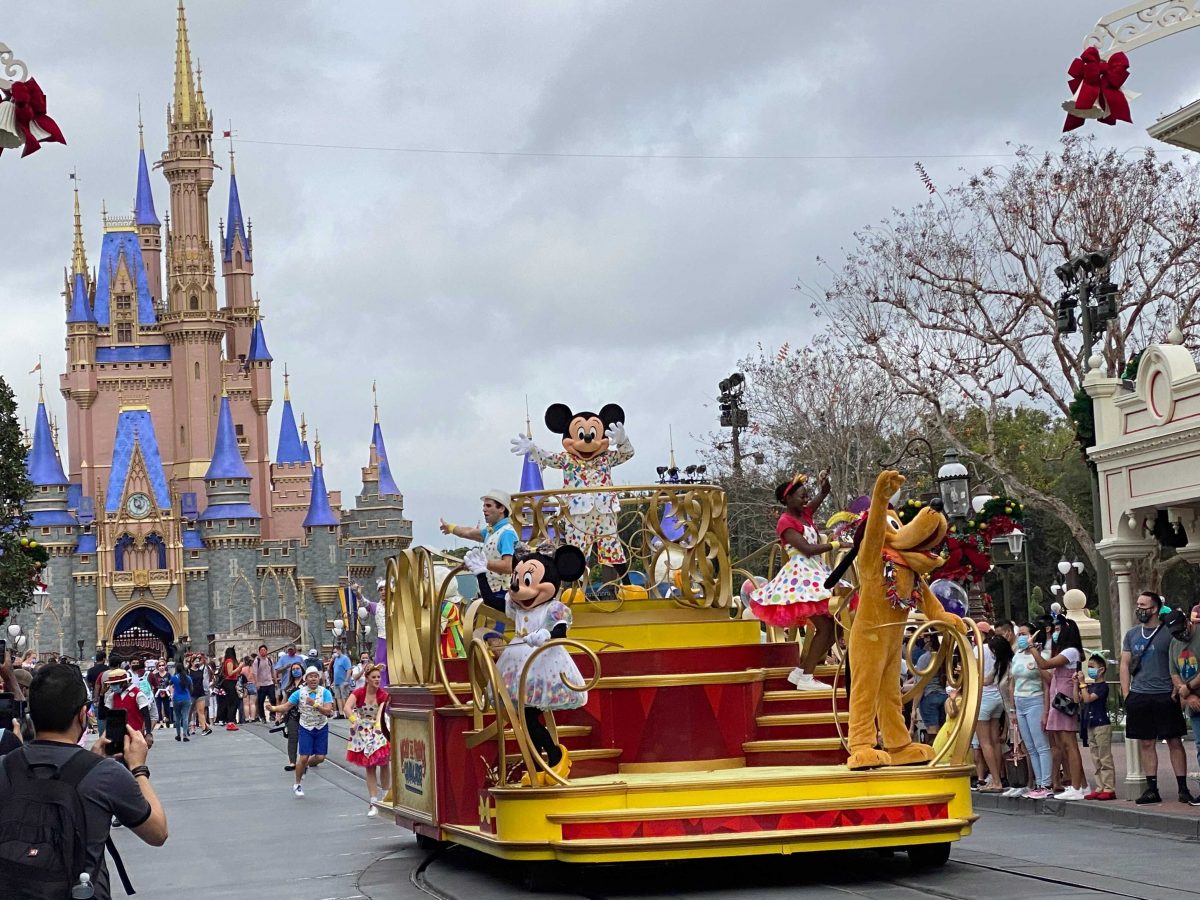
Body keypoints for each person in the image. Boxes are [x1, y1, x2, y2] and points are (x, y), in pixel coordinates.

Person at [0, 663, 168, 899]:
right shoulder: (106, 774)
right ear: (82, 715)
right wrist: (138, 768)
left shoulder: (5, 765)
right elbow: (157, 832)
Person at [746, 472, 840, 691]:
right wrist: (835, 545)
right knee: (825, 627)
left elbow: (822, 494)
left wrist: (824, 484)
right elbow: (806, 549)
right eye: (801, 496)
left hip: (816, 571)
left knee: (837, 627)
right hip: (801, 576)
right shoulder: (785, 522)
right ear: (787, 498)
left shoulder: (804, 514)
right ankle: (807, 677)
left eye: (806, 496)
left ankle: (801, 672)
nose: (806, 500)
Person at [1120, 591, 1193, 804]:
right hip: (1140, 694)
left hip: (1165, 694)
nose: (1139, 609)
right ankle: (1152, 788)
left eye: (1143, 606)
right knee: (1146, 742)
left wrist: (1178, 687)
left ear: (1154, 608)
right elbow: (1125, 663)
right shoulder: (1132, 634)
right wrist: (1126, 693)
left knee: (1174, 741)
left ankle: (1183, 788)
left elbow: (1181, 658)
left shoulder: (1169, 632)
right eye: (1138, 605)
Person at [1028, 616, 1087, 800]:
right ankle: (1082, 785)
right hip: (1058, 698)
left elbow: (1045, 664)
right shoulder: (1063, 651)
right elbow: (1048, 673)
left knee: (1069, 744)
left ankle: (1076, 787)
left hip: (1065, 699)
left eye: (1058, 629)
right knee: (1063, 744)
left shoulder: (1070, 651)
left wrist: (1032, 649)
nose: (1055, 633)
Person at [266, 666, 334, 798]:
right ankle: (297, 784)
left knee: (320, 757)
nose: (313, 679)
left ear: (319, 678)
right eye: (310, 676)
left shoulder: (325, 692)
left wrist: (315, 704)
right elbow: (286, 706)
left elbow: (327, 711)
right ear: (306, 679)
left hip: (321, 726)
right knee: (303, 757)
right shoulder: (299, 693)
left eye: (315, 676)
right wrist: (273, 708)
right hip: (305, 727)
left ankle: (305, 765)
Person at [442, 491, 519, 595]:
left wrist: (480, 563)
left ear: (501, 508)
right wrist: (451, 528)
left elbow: (509, 566)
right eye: (484, 506)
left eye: (488, 506)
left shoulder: (507, 533)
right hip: (489, 591)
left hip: (501, 593)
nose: (484, 509)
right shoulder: (491, 531)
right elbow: (468, 532)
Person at [1007, 622, 1053, 799]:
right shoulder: (1017, 655)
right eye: (1019, 634)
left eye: (1024, 634)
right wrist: (1012, 709)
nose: (1021, 638)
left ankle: (1046, 784)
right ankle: (1038, 782)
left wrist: (1045, 711)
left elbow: (1048, 682)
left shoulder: (1043, 655)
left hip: (1035, 701)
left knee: (1041, 745)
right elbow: (1012, 683)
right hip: (1020, 702)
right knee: (1030, 747)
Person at [343, 664, 391, 816]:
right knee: (369, 766)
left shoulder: (383, 694)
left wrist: (378, 727)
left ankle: (386, 797)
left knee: (384, 762)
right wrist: (354, 720)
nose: (377, 680)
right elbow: (347, 707)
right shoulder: (359, 692)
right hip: (363, 728)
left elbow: (381, 712)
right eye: (374, 677)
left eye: (379, 677)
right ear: (367, 679)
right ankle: (373, 802)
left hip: (379, 726)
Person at [1167, 607, 1200, 806]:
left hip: (1192, 692)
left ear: (1188, 621)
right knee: (1199, 746)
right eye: (1175, 633)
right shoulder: (1174, 644)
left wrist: (1188, 688)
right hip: (1193, 702)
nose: (1180, 635)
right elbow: (1174, 673)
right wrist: (1187, 694)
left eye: (1181, 630)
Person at [975, 632, 1013, 793]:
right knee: (995, 741)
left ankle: (995, 780)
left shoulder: (1002, 663)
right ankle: (998, 777)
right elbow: (988, 680)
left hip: (985, 701)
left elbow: (985, 681)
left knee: (985, 743)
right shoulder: (1005, 662)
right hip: (998, 701)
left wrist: (969, 676)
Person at [1079, 651, 1116, 801]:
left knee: (1104, 757)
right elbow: (1078, 698)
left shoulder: (1102, 687)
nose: (1089, 670)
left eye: (1092, 667)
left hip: (1101, 724)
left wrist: (1082, 683)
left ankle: (1109, 787)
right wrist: (1077, 685)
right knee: (1095, 757)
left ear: (1101, 670)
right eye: (1088, 667)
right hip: (1090, 724)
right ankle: (1100, 786)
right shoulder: (1090, 686)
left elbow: (1088, 699)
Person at [103, 668, 154, 747]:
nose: (113, 686)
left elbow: (146, 715)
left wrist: (148, 733)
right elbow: (103, 715)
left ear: (123, 683)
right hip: (118, 737)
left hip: (136, 736)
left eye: (115, 684)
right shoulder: (112, 696)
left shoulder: (138, 694)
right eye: (111, 684)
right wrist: (101, 695)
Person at [251, 644, 276, 723]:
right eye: (261, 650)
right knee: (260, 701)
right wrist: (256, 683)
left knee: (273, 699)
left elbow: (273, 670)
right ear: (259, 652)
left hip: (270, 682)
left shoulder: (270, 660)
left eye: (264, 650)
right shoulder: (257, 661)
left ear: (266, 651)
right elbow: (254, 673)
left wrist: (275, 680)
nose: (263, 652)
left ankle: (272, 715)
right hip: (261, 684)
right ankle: (262, 717)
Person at [218, 647, 241, 731]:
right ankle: (230, 721)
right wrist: (239, 667)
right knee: (233, 702)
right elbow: (230, 673)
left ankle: (230, 720)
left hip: (229, 682)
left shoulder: (226, 661)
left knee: (232, 701)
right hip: (230, 682)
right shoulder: (229, 661)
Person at [169, 662, 193, 743]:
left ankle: (178, 735)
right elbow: (191, 688)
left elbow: (169, 684)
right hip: (186, 698)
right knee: (185, 717)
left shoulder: (174, 678)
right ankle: (185, 734)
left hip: (176, 698)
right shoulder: (188, 678)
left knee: (178, 718)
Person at [188, 656, 211, 736]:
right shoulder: (188, 671)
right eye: (196, 661)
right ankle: (186, 727)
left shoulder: (201, 671)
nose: (197, 662)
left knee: (201, 711)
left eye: (198, 661)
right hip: (191, 694)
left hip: (200, 693)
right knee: (189, 712)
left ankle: (204, 729)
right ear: (192, 662)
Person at [331, 646, 352, 717]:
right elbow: (335, 671)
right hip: (337, 682)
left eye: (335, 652)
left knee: (344, 697)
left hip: (343, 681)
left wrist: (346, 680)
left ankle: (346, 712)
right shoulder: (336, 659)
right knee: (338, 697)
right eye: (333, 652)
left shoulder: (345, 659)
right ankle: (341, 712)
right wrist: (333, 681)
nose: (334, 653)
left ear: (339, 650)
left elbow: (349, 669)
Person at [240, 655, 256, 723]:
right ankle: (253, 718)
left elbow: (240, 677)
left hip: (245, 686)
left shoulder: (243, 669)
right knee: (252, 703)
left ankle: (246, 718)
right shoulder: (254, 669)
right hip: (253, 685)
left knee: (246, 704)